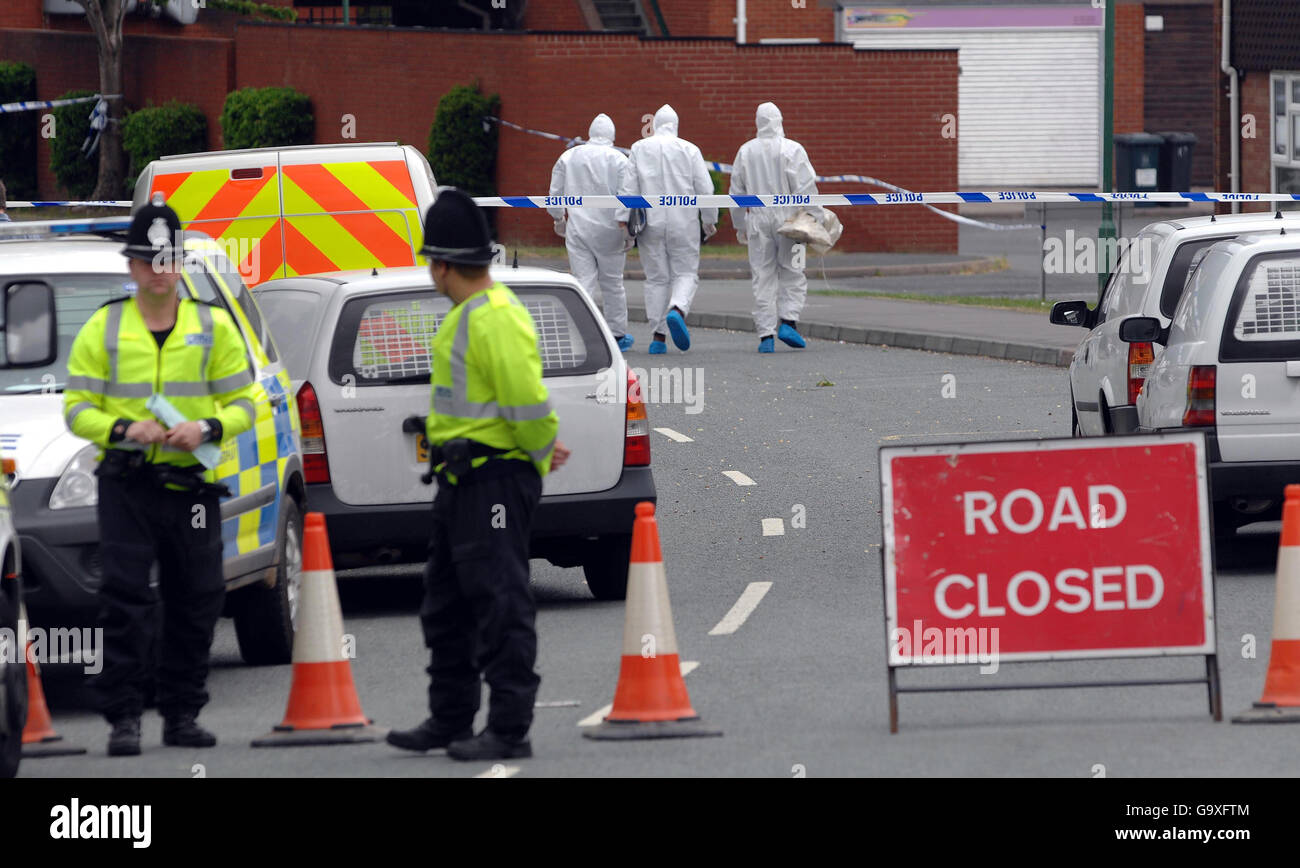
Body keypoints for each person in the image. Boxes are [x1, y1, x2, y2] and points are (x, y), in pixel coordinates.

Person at [62, 196, 261, 756]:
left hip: (191, 488)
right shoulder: (103, 327)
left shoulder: (213, 326)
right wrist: (125, 429)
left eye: (170, 258)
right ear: (131, 265)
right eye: (150, 260)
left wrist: (208, 427)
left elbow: (245, 402)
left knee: (198, 598)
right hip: (126, 484)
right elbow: (76, 408)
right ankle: (124, 717)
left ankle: (182, 714)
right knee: (125, 597)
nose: (160, 269)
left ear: (182, 264)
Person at [387, 188, 570, 762]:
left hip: (494, 479)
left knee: (499, 602)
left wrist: (540, 452)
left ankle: (509, 729)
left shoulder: (495, 319)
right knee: (446, 604)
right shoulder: (470, 316)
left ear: (442, 264)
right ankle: (450, 719)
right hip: (460, 480)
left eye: (428, 263)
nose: (428, 273)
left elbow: (526, 401)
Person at [617, 104, 716, 354]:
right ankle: (677, 309)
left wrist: (623, 221)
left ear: (655, 124)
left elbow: (628, 188)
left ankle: (657, 338)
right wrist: (709, 220)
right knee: (685, 273)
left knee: (656, 278)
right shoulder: (690, 149)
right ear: (676, 124)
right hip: (685, 222)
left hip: (651, 222)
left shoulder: (639, 148)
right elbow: (705, 189)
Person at [729, 102, 822, 353]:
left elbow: (736, 192)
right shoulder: (793, 149)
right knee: (794, 270)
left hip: (757, 220)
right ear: (780, 120)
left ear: (757, 122)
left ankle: (765, 335)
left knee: (763, 275)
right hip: (791, 221)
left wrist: (740, 225)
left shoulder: (746, 151)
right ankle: (789, 322)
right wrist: (816, 218)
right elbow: (806, 187)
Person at [549, 113, 634, 351]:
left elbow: (554, 194)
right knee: (613, 284)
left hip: (578, 229)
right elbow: (626, 196)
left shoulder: (569, 156)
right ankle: (617, 335)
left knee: (582, 281)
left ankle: (578, 332)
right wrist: (627, 229)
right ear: (612, 135)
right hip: (611, 231)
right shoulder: (619, 160)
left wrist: (558, 218)